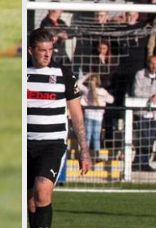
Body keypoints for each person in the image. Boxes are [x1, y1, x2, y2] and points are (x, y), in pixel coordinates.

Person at [27, 28, 92, 228]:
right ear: (31, 51)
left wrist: (85, 151)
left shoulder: (63, 74)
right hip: (24, 144)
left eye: (50, 49)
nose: (47, 54)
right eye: (42, 50)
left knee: (42, 190)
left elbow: (76, 114)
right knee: (30, 200)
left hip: (52, 144)